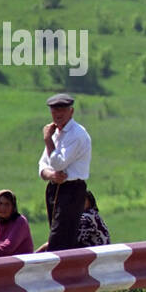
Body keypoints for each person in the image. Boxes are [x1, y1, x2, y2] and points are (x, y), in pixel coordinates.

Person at [38, 92, 92, 251]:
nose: (58, 114)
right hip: (55, 187)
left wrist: (48, 140)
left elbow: (58, 164)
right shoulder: (55, 133)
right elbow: (42, 164)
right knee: (57, 234)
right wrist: (51, 175)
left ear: (71, 111)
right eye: (54, 111)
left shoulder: (76, 134)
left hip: (71, 189)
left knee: (61, 239)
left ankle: (63, 273)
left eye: (62, 110)